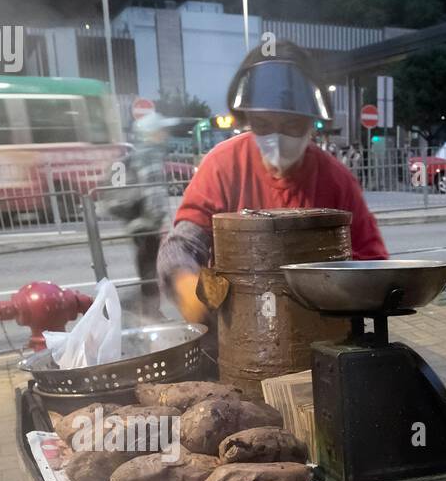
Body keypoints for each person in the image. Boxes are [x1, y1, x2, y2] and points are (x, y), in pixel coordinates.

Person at [158, 40, 387, 324]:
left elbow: (374, 262)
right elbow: (181, 246)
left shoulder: (337, 180)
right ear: (248, 119)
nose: (276, 138)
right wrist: (185, 284)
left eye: (291, 125)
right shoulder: (223, 165)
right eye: (263, 125)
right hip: (237, 330)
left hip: (320, 331)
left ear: (311, 122)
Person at [116, 110, 177, 320]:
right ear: (152, 133)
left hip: (137, 222)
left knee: (148, 267)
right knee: (153, 268)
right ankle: (141, 308)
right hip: (148, 223)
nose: (165, 134)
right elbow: (154, 191)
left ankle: (149, 309)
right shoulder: (150, 155)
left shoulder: (138, 154)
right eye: (162, 131)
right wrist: (162, 222)